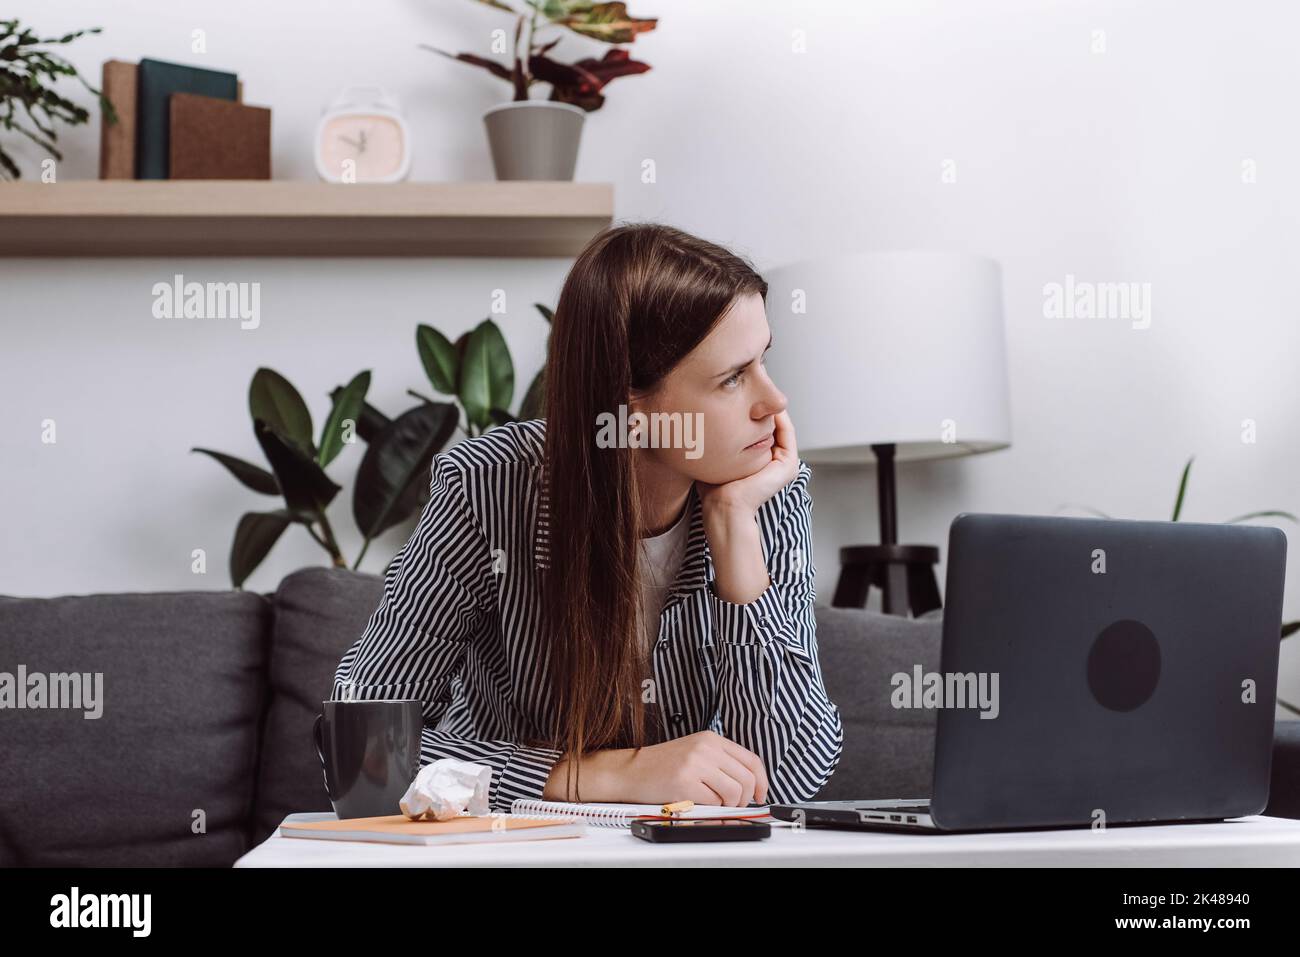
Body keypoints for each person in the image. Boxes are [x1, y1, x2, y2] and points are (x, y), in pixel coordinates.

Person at [331, 222, 843, 813]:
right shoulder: (485, 485)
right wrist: (598, 776)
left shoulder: (758, 489)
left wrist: (734, 530)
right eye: (732, 378)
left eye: (763, 361)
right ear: (629, 399)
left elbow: (793, 773)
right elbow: (361, 751)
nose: (774, 402)